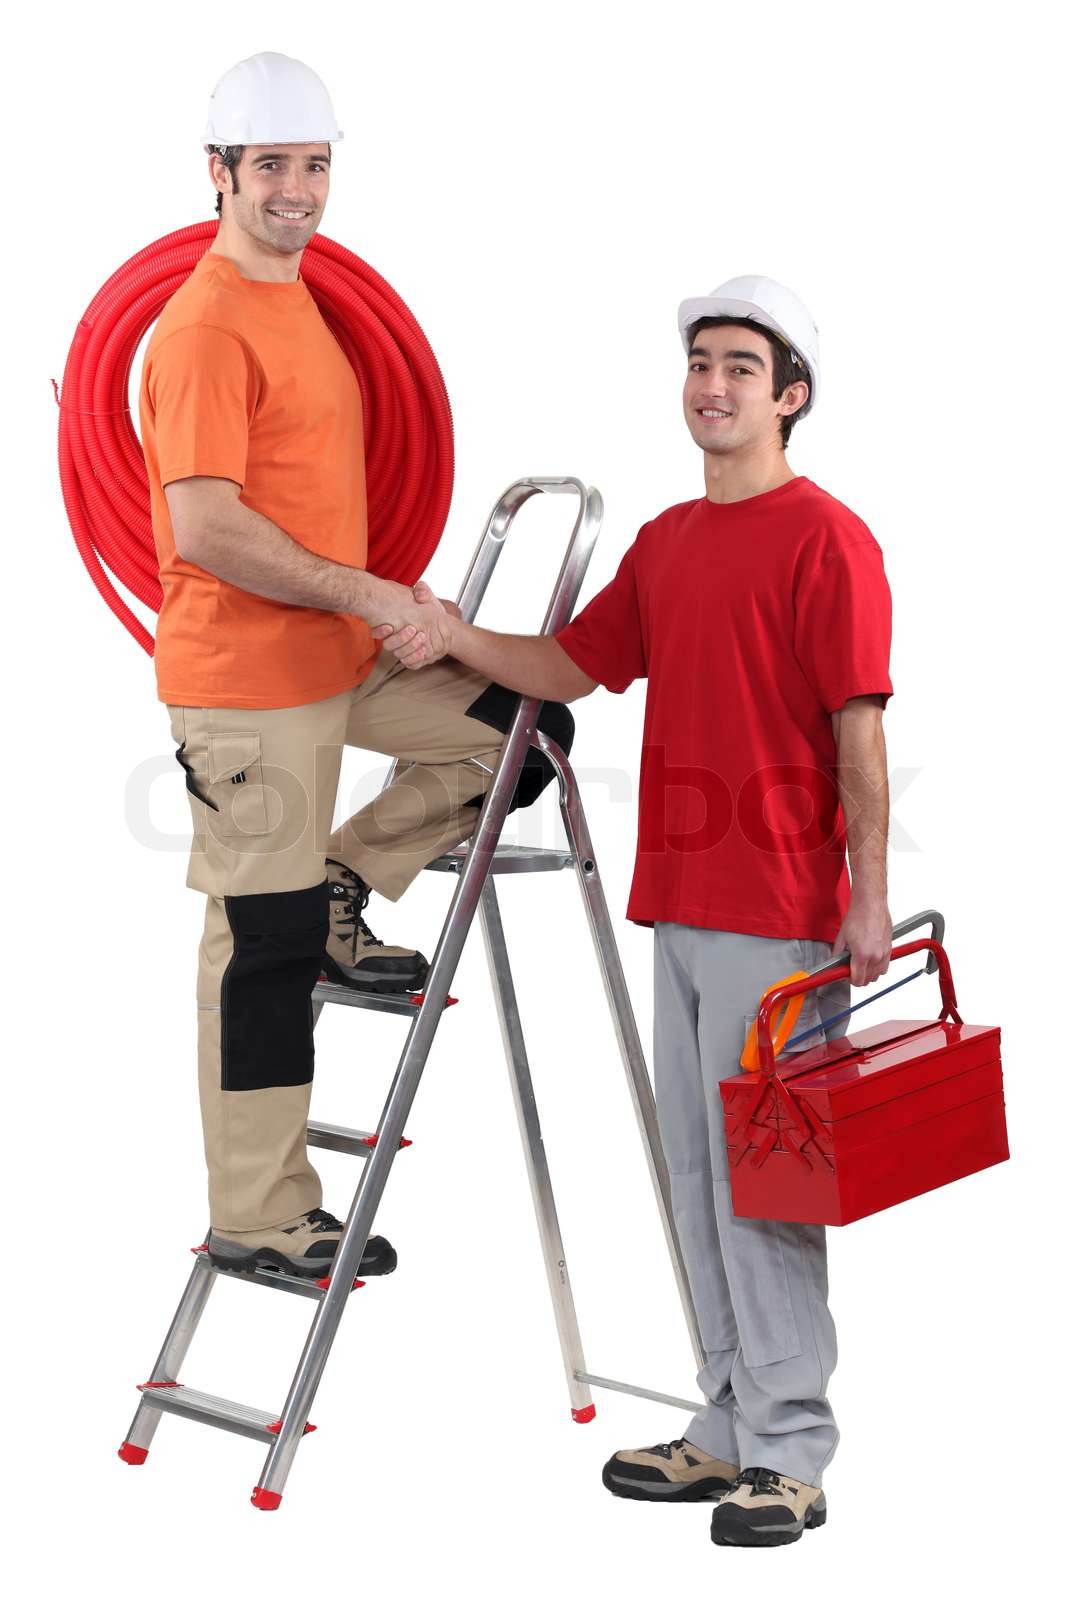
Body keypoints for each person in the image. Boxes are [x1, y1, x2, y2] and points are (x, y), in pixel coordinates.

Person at [372, 275, 894, 1548]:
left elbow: (858, 730)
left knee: (764, 1187)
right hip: (682, 903)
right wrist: (455, 633)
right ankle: (723, 1421)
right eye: (699, 363)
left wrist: (867, 898)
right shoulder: (666, 542)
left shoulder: (827, 539)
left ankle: (789, 1453)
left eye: (739, 368)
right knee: (694, 1174)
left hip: (782, 914)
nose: (711, 386)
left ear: (790, 396)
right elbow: (569, 665)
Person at [139, 52, 572, 1283]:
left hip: (342, 653)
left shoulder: (307, 305)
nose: (296, 188)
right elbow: (206, 526)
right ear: (218, 171)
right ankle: (260, 1212)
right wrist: (368, 594)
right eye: (271, 164)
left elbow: (308, 498)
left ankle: (345, 881)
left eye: (314, 164)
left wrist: (394, 604)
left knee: (524, 732)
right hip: (246, 683)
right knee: (263, 947)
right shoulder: (204, 327)